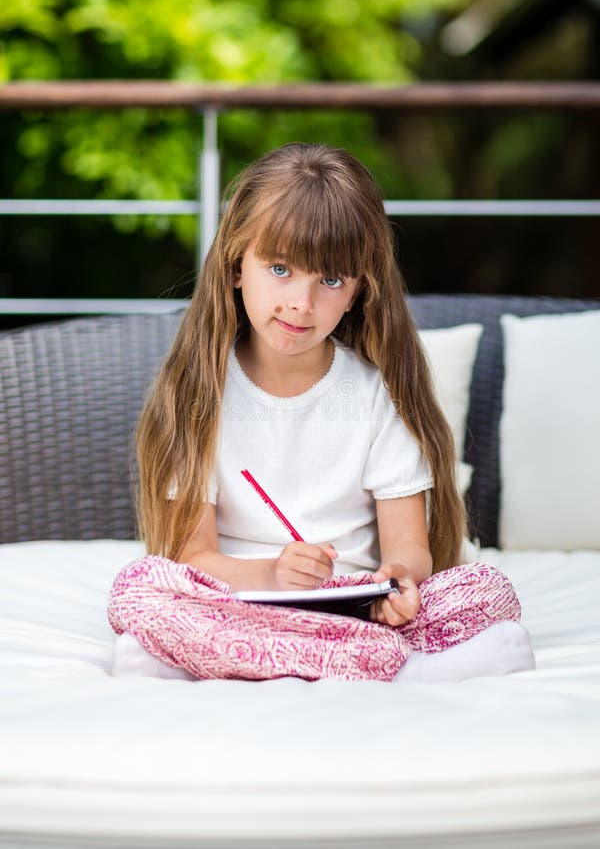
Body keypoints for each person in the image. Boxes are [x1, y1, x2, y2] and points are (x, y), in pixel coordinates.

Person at [109, 143, 534, 682]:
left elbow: (408, 545)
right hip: (242, 600)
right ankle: (397, 671)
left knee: (484, 587)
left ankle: (220, 664)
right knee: (142, 585)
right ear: (238, 265)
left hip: (355, 607)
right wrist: (272, 573)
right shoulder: (198, 393)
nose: (301, 303)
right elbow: (193, 555)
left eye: (329, 280)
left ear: (358, 291)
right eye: (280, 269)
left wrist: (398, 583)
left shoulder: (378, 394)